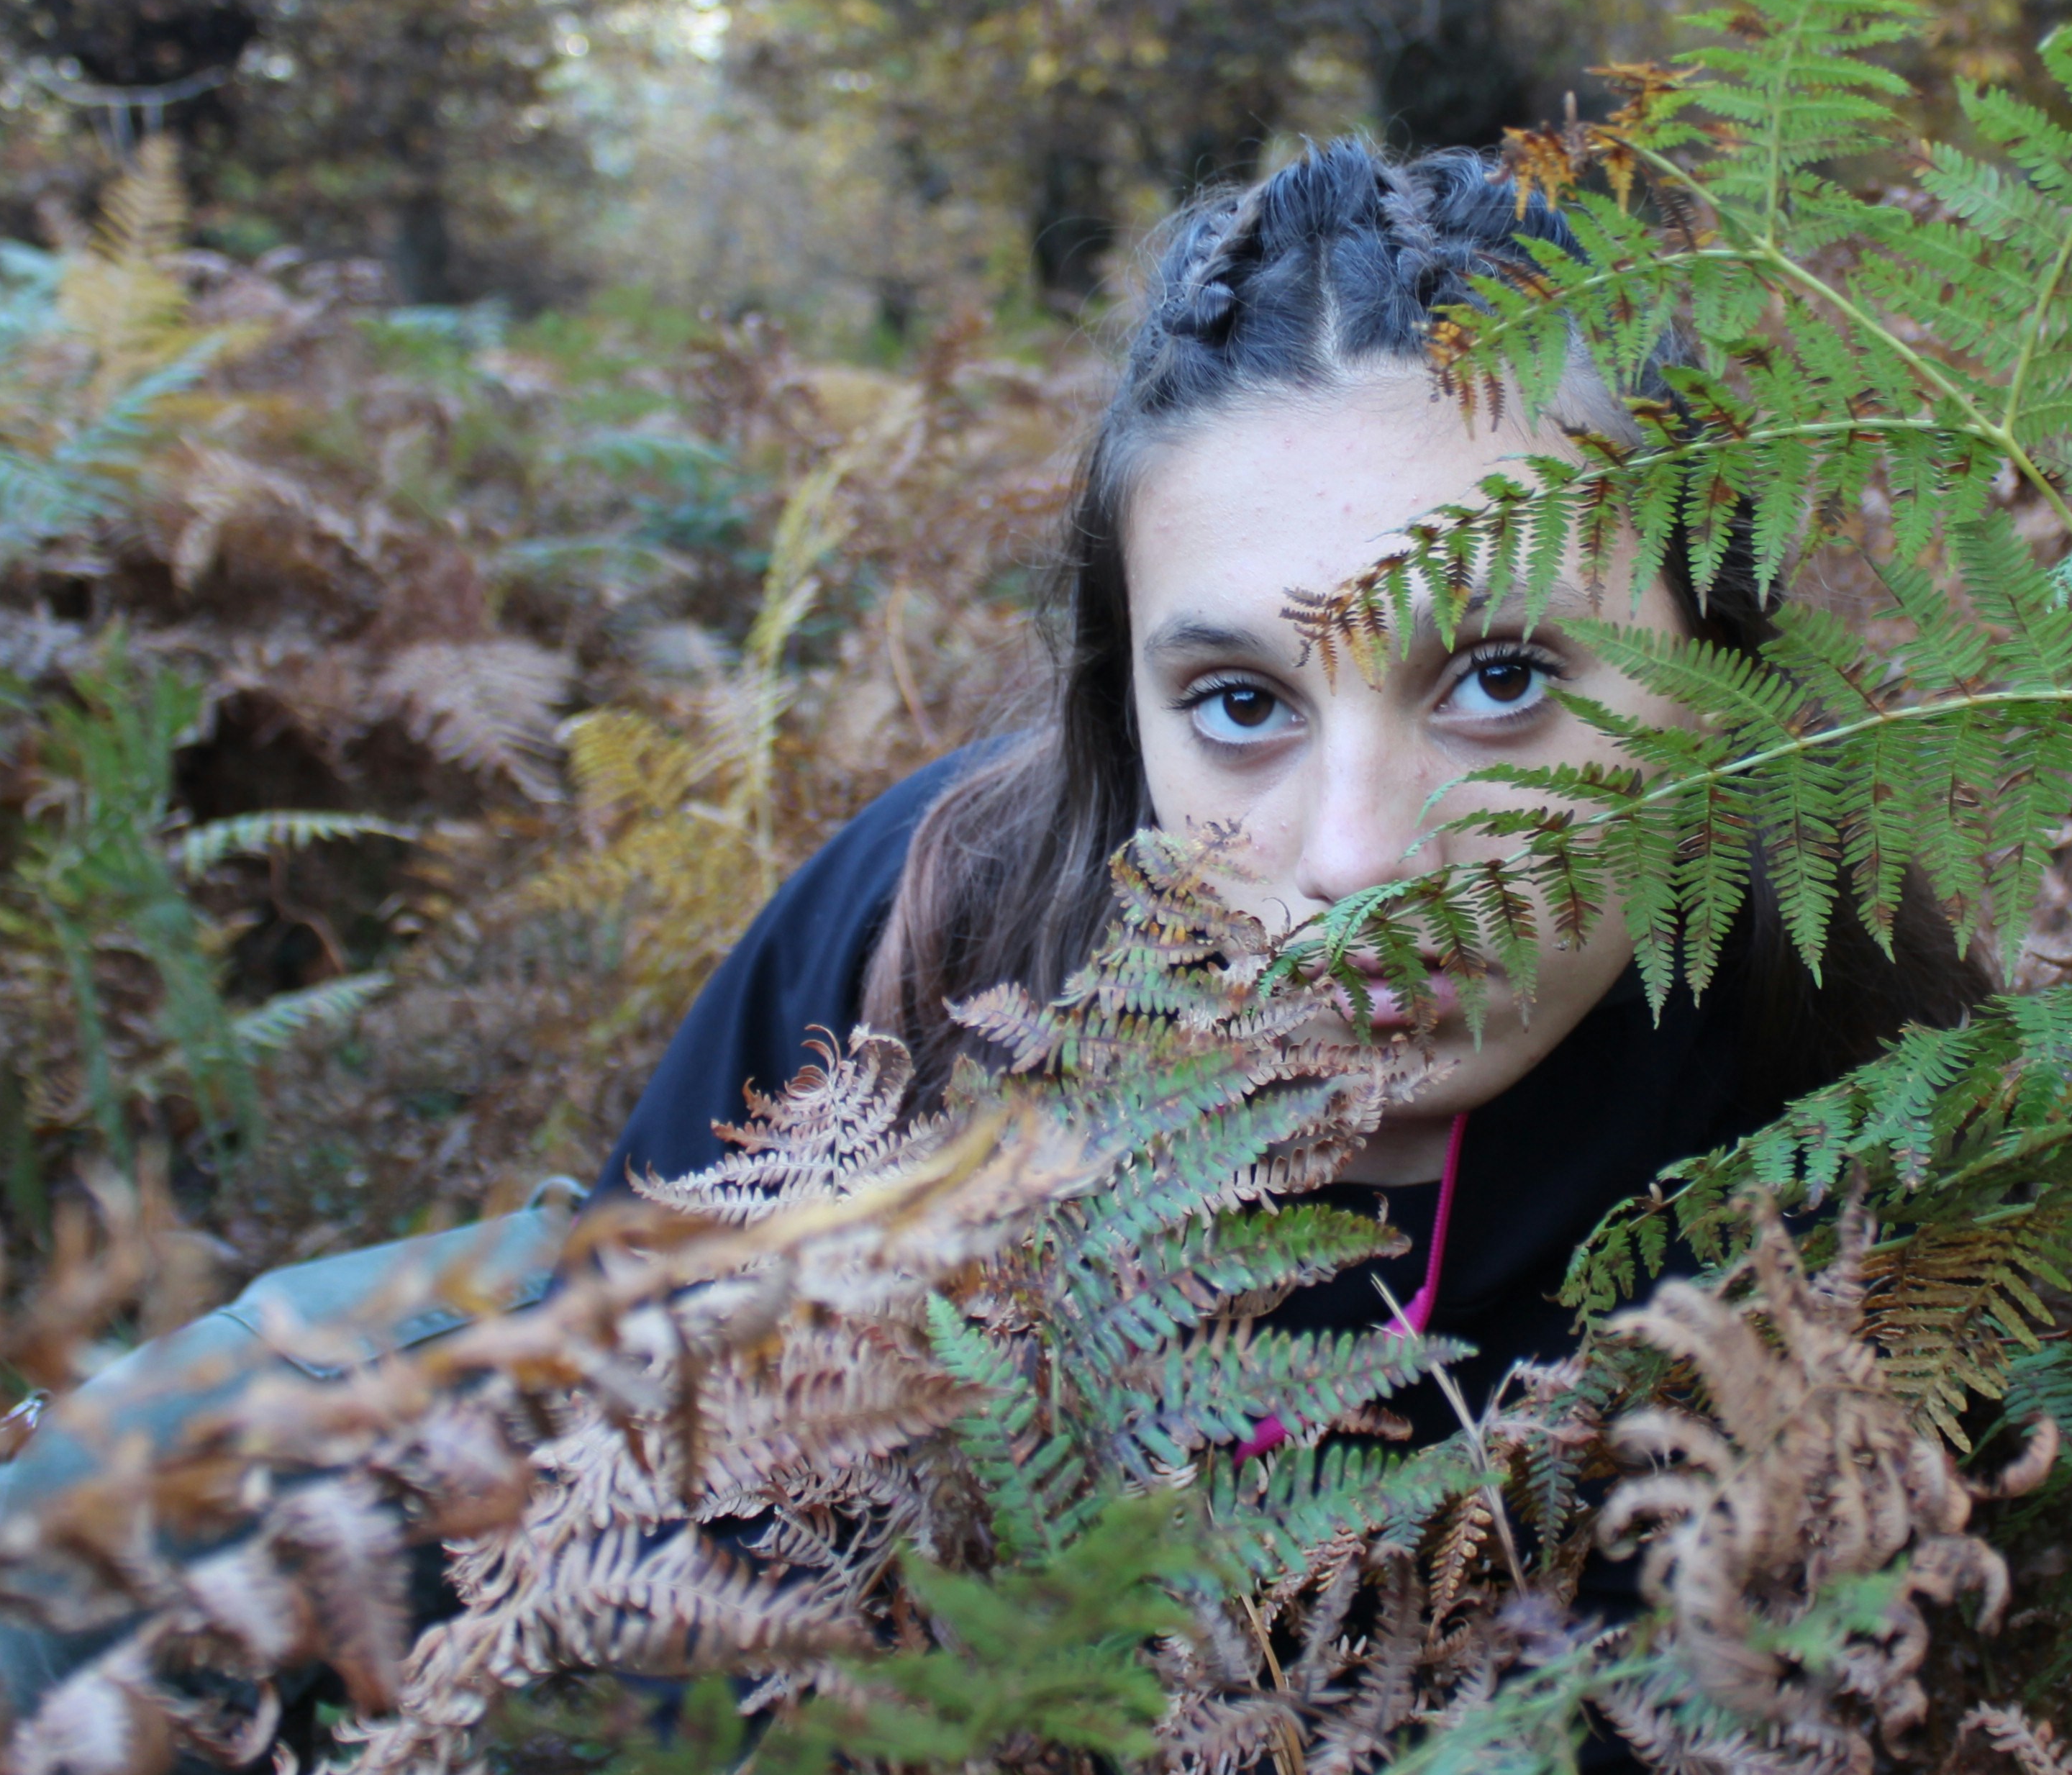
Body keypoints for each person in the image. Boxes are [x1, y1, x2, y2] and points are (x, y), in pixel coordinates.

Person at [595, 135, 1982, 1437]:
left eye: (1498, 681)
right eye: (1244, 704)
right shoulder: (927, 911)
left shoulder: (1909, 1154)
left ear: (1718, 673)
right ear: (1122, 709)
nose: (1356, 858)